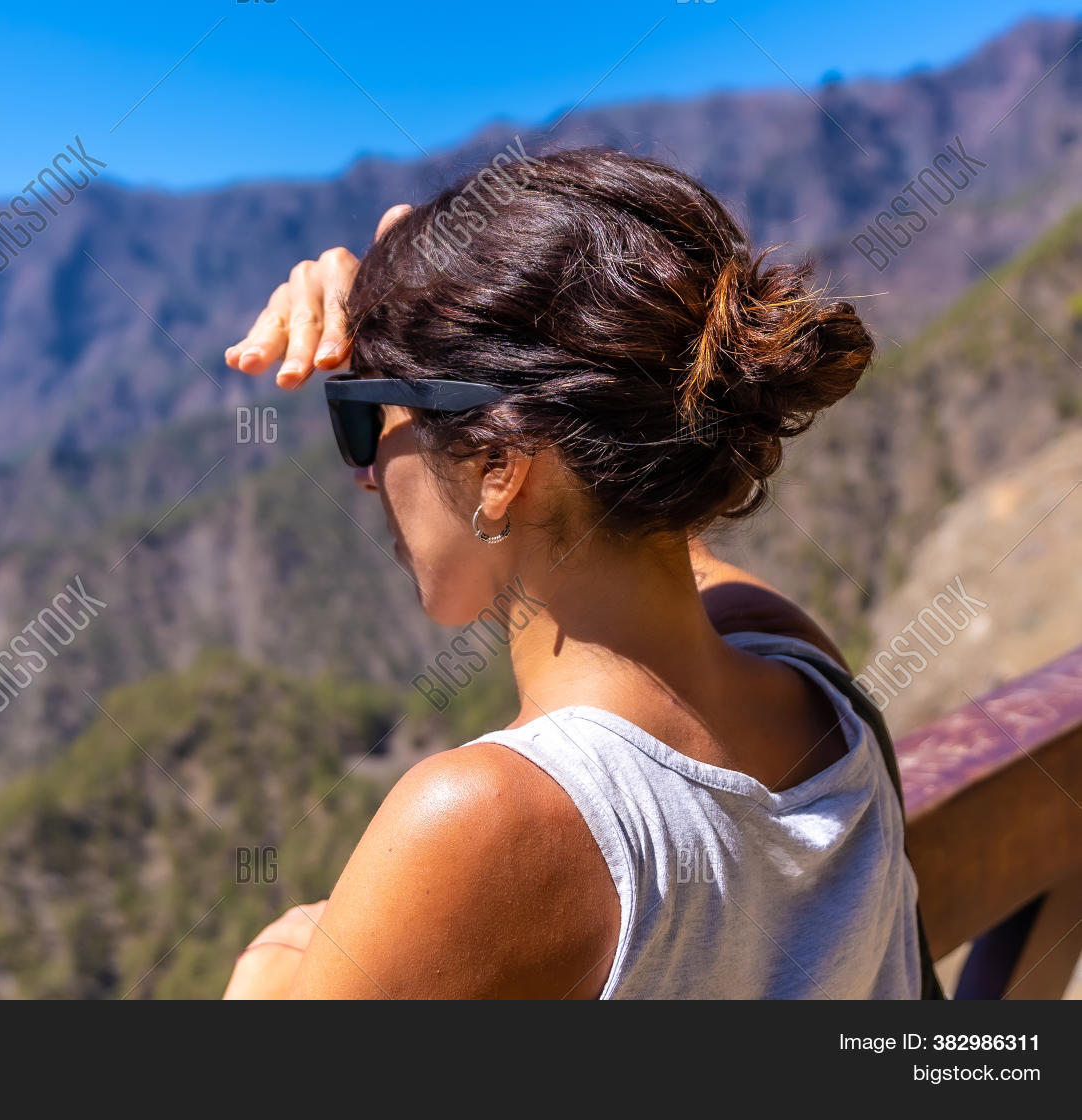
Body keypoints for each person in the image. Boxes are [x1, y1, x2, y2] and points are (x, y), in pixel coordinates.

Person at [219, 147, 920, 999]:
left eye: (365, 422)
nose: (363, 474)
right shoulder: (805, 675)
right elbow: (649, 485)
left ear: (498, 465)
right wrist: (411, 310)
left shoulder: (482, 821)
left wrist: (271, 963)